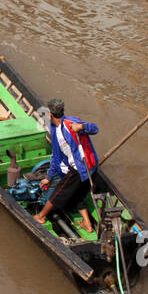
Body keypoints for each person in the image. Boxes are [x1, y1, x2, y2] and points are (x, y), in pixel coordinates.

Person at [30, 98, 99, 234]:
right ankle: (88, 224)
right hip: (89, 168)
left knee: (58, 192)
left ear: (50, 115)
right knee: (78, 196)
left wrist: (82, 127)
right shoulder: (55, 131)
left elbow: (95, 128)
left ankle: (41, 216)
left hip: (82, 168)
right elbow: (56, 156)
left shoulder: (71, 123)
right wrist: (49, 177)